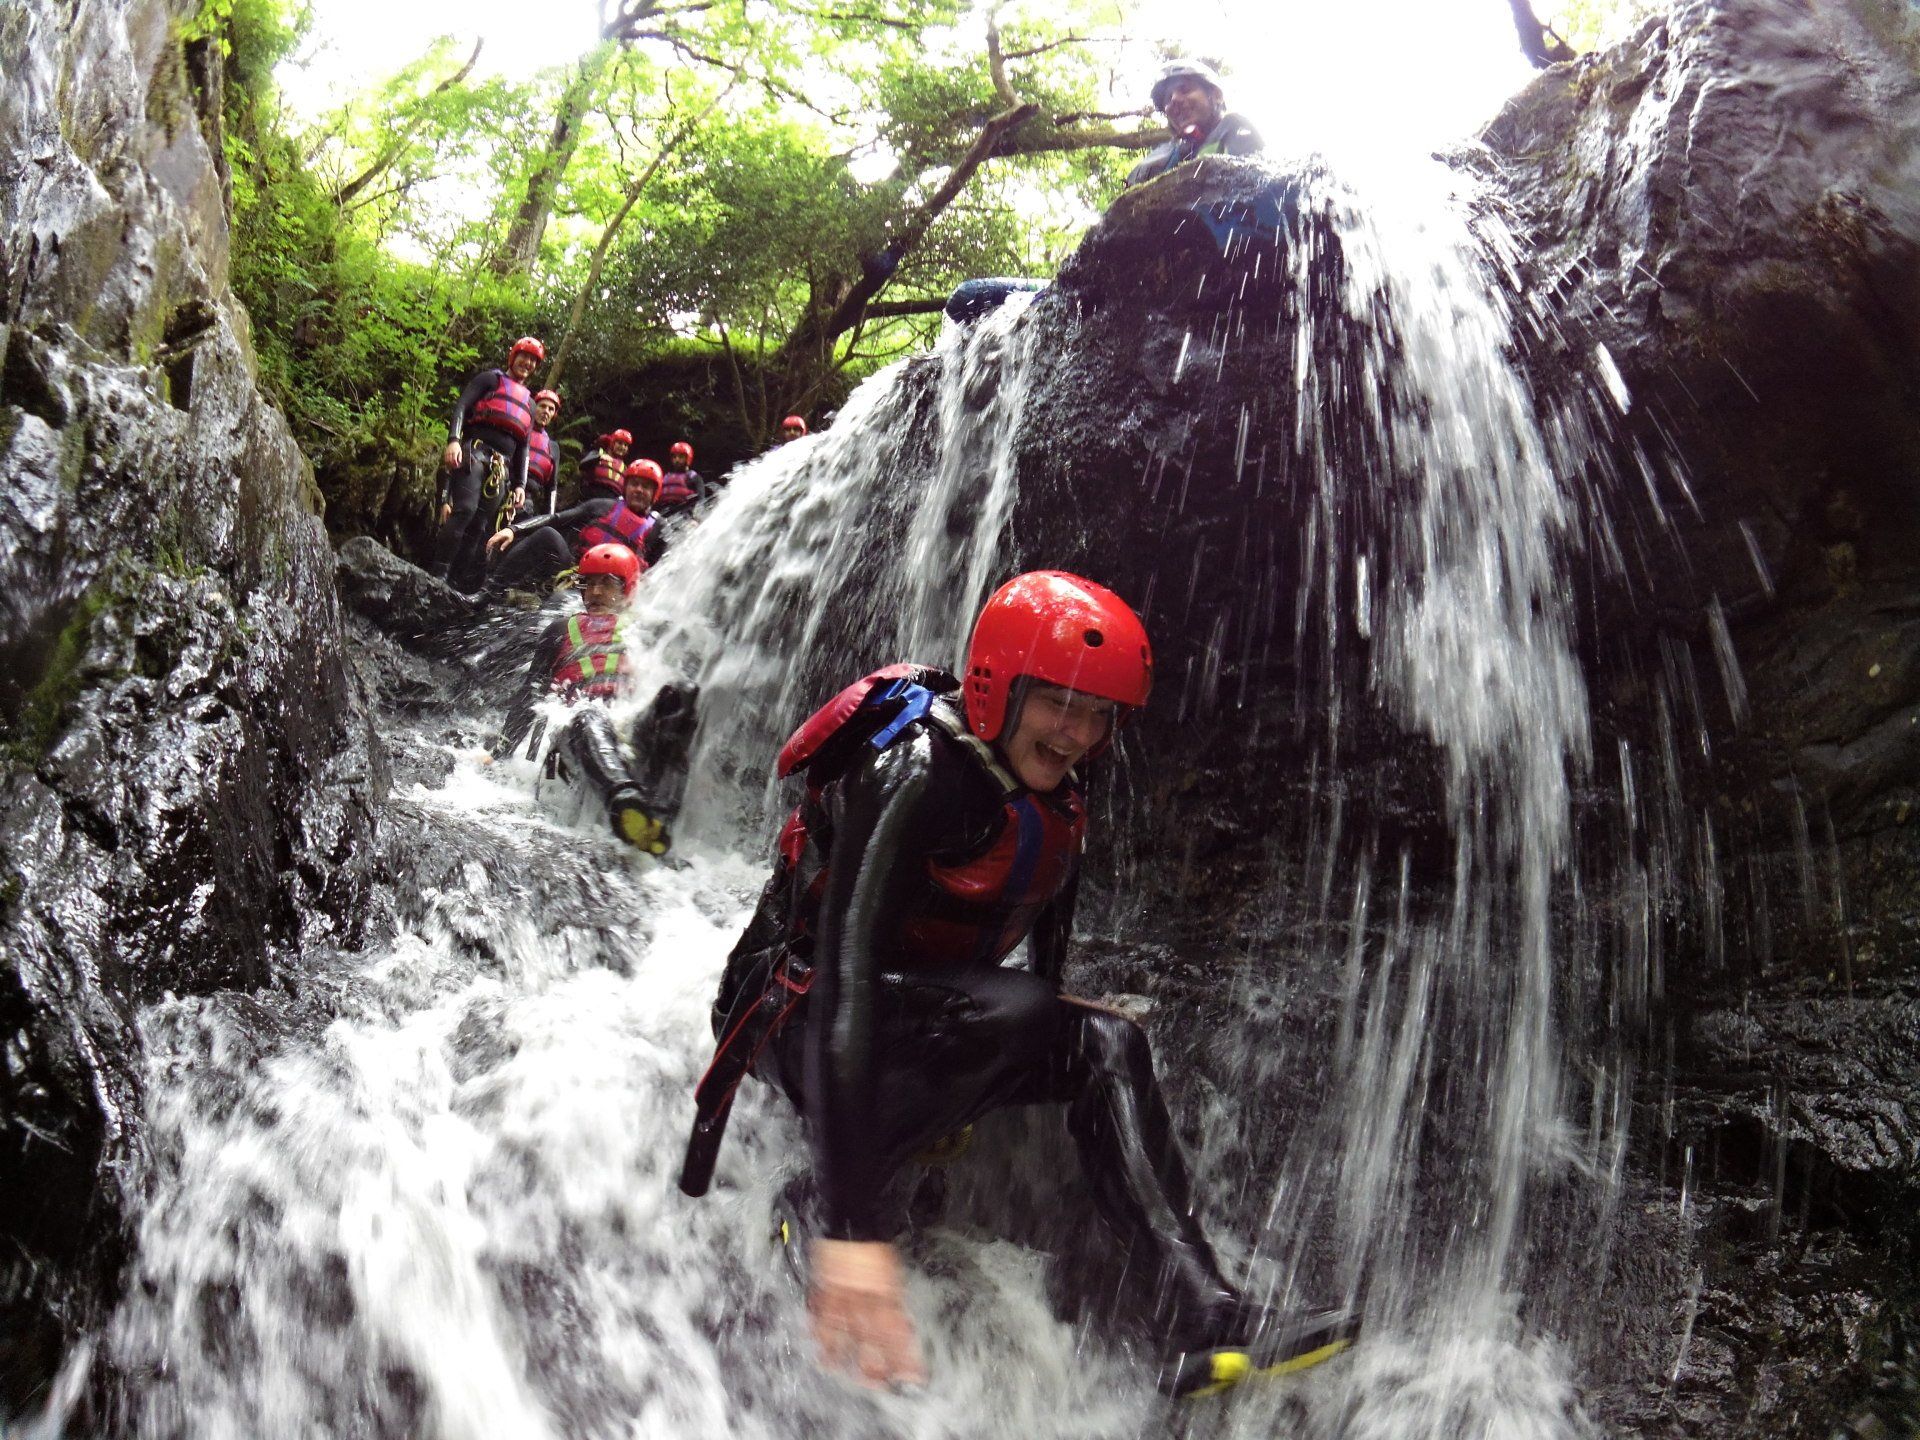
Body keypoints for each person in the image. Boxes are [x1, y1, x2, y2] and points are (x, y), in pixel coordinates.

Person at [680, 572, 1356, 1397]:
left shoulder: (1062, 780)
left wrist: (990, 1072)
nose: (1078, 732)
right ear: (1000, 686)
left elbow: (1047, 947)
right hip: (789, 1010)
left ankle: (1201, 1311)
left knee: (1107, 1039)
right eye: (1060, 704)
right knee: (1031, 1012)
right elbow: (850, 974)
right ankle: (829, 1201)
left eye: (1100, 714)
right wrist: (857, 1232)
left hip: (906, 1005)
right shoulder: (915, 771)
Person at [486, 544, 694, 854]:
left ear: (627, 588)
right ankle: (626, 801)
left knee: (681, 693)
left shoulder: (650, 630)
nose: (595, 592)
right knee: (589, 715)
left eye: (607, 583)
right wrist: (499, 752)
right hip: (576, 732)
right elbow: (530, 693)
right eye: (589, 583)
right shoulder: (559, 631)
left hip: (629, 727)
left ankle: (658, 819)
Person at [430, 336, 542, 585]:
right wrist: (453, 440)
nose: (528, 363)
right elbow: (462, 405)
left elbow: (523, 446)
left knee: (480, 526)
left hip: (500, 468)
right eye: (524, 357)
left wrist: (520, 484)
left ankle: (457, 582)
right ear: (513, 357)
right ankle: (439, 573)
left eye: (533, 361)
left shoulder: (531, 405)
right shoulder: (490, 379)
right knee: (465, 510)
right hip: (476, 452)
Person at [483, 458, 666, 599]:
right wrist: (514, 530)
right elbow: (556, 519)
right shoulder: (602, 506)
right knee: (549, 535)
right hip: (575, 577)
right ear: (625, 487)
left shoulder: (657, 530)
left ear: (655, 494)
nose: (639, 490)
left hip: (613, 594)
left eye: (646, 487)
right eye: (635, 484)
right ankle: (485, 596)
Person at [1123, 60, 1263, 190]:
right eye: (1168, 98)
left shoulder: (1234, 129)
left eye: (1185, 90)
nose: (1174, 100)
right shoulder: (1165, 157)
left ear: (1217, 96)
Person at [522, 389, 562, 517]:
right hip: (506, 486)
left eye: (551, 409)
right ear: (534, 407)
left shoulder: (553, 447)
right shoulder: (520, 429)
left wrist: (549, 517)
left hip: (529, 500)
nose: (546, 411)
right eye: (542, 406)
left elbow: (551, 488)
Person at [578, 429, 632, 503]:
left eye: (625, 445)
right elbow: (582, 465)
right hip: (592, 496)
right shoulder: (598, 454)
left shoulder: (625, 468)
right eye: (619, 443)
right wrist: (598, 457)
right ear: (612, 443)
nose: (622, 447)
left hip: (612, 502)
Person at [656, 441, 705, 517]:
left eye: (680, 457)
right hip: (665, 514)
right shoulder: (666, 477)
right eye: (674, 457)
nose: (677, 460)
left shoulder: (694, 477)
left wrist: (696, 516)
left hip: (684, 514)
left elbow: (701, 499)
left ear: (688, 458)